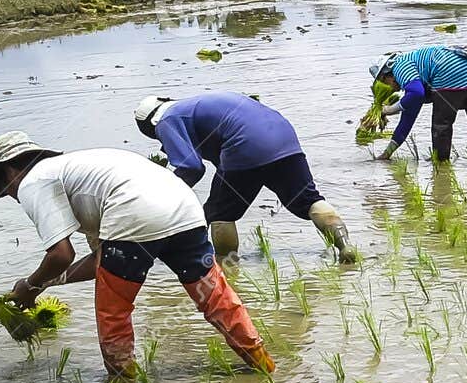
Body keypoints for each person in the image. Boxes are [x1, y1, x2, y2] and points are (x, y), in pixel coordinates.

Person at [0, 132, 273, 379]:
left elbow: (61, 254)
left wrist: (29, 286)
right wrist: (48, 284)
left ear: (10, 171)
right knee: (216, 297)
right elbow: (101, 263)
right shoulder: (79, 171)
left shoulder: (33, 181)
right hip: (185, 209)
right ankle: (262, 364)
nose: (13, 196)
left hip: (133, 211)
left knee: (113, 312)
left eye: (7, 190)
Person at [134, 92, 355, 265]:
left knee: (220, 213)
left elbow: (191, 168)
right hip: (283, 135)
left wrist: (163, 196)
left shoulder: (166, 120)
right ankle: (346, 247)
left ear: (149, 127)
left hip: (244, 145)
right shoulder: (195, 106)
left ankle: (226, 268)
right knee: (308, 200)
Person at [370, 45, 467, 165]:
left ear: (386, 75)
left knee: (441, 125)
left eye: (385, 82)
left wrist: (389, 109)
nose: (393, 89)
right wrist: (387, 153)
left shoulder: (399, 65)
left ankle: (441, 165)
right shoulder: (416, 70)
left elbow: (416, 93)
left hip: (450, 72)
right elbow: (407, 119)